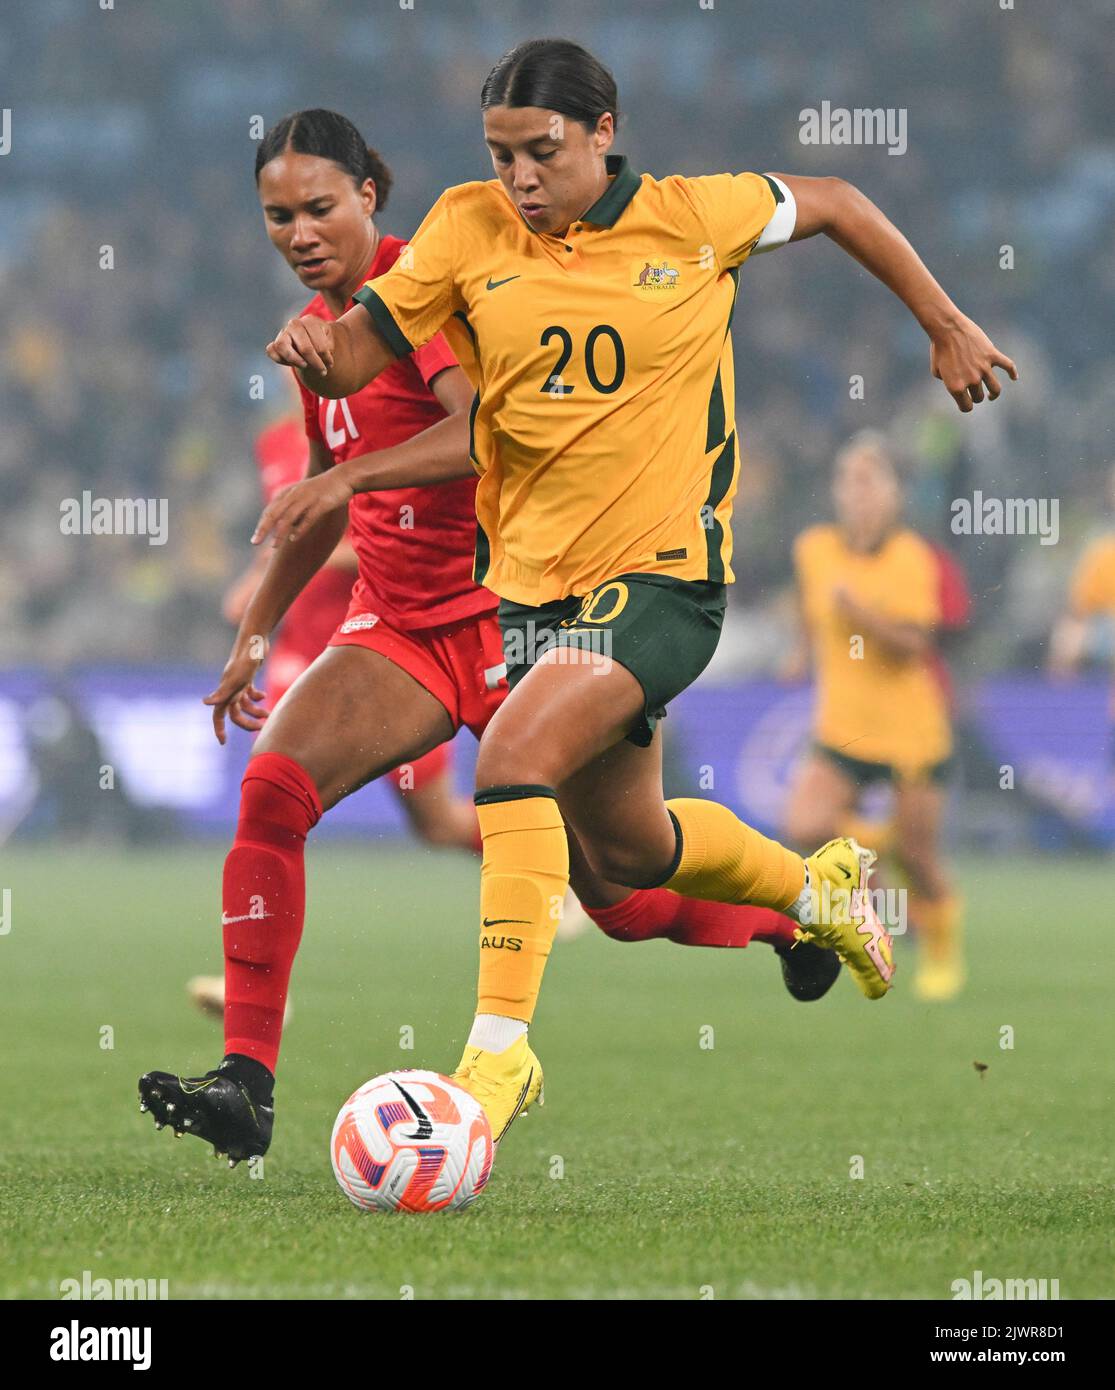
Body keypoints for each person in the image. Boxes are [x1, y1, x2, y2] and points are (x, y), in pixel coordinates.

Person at [260, 38, 1015, 1145]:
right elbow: (361, 350)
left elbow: (842, 200)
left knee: (507, 760)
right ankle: (816, 888)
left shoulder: (693, 217)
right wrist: (313, 349)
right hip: (534, 592)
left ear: (601, 132)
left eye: (541, 151)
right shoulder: (469, 228)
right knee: (623, 859)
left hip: (664, 577)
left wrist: (940, 320)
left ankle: (495, 1059)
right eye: (500, 154)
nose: (519, 176)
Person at [138, 107, 821, 1167]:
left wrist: (348, 475)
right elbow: (318, 499)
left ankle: (787, 919)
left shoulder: (442, 284)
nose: (300, 230)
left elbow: (478, 433)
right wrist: (256, 631)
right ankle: (244, 1084)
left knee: (623, 893)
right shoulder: (322, 328)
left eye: (319, 206)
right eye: (278, 215)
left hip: (519, 613)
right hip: (401, 631)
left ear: (371, 193)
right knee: (273, 791)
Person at [782, 433, 966, 1001]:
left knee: (919, 857)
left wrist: (860, 614)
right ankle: (871, 857)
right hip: (842, 725)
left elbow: (914, 645)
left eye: (870, 480)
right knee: (806, 826)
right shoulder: (813, 549)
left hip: (912, 731)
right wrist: (802, 652)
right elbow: (813, 615)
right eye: (848, 479)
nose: (857, 492)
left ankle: (940, 951)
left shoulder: (912, 558)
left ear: (894, 494)